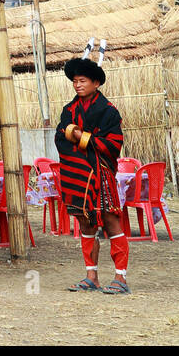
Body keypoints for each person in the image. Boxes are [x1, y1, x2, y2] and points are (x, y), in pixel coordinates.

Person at [57, 57, 130, 294]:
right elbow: (61, 138)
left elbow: (113, 144)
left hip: (102, 173)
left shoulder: (109, 111)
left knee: (110, 220)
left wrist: (81, 136)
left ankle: (121, 278)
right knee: (85, 221)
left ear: (96, 82)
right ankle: (91, 277)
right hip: (78, 174)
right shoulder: (69, 110)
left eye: (83, 80)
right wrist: (79, 140)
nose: (77, 85)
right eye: (75, 81)